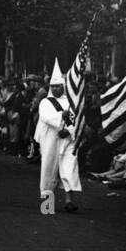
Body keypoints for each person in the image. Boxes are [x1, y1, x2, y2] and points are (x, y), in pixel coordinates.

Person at [36, 59, 81, 212]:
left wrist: (69, 130)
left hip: (67, 140)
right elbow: (46, 117)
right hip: (51, 140)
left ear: (63, 86)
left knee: (69, 168)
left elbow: (76, 120)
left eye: (58, 86)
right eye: (53, 86)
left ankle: (69, 201)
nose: (55, 89)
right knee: (49, 171)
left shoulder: (71, 102)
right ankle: (47, 204)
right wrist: (62, 114)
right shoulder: (46, 102)